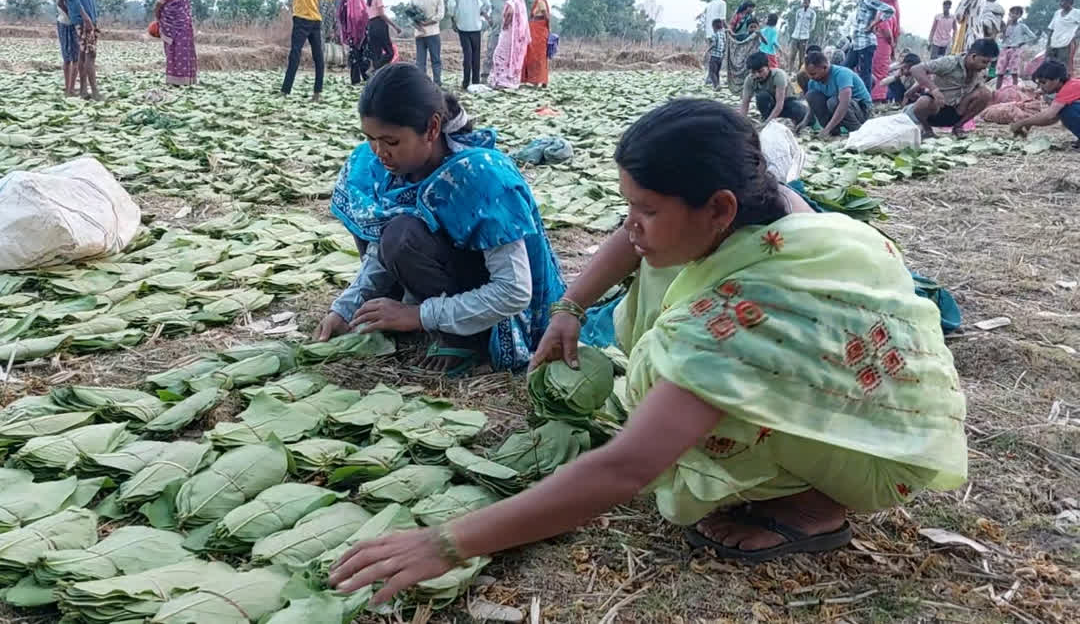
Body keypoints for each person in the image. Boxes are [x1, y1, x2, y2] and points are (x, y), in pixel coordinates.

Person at [327, 100, 968, 600]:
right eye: (629, 204)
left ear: (719, 207)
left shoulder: (744, 317)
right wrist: (569, 308)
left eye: (646, 208)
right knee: (661, 265)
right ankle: (749, 434)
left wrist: (448, 542)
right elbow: (630, 238)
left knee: (677, 441)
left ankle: (815, 506)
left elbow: (622, 470)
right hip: (866, 392)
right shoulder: (764, 212)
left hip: (880, 451)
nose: (632, 222)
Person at [316, 63, 566, 376]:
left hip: (491, 295)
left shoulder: (480, 176)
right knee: (382, 215)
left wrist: (419, 315)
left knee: (401, 235)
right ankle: (399, 307)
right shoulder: (387, 166)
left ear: (432, 129)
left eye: (391, 142)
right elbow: (380, 249)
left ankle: (466, 337)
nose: (379, 152)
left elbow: (514, 291)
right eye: (371, 138)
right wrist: (346, 307)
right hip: (441, 272)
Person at [280, 0, 345, 102]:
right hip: (316, 19)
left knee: (295, 54)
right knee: (318, 57)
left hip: (301, 17)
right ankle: (317, 94)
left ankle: (285, 91)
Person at [909, 38, 997, 138]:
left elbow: (979, 93)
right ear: (973, 57)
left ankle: (958, 127)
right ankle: (927, 129)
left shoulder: (980, 72)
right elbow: (915, 69)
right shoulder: (950, 62)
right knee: (923, 102)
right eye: (984, 62)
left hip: (956, 112)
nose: (986, 67)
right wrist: (934, 90)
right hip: (936, 109)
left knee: (986, 94)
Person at [1011, 60, 1080, 148]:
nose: (1041, 86)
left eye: (1044, 82)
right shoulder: (1071, 85)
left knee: (1068, 110)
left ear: (1057, 80)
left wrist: (1022, 123)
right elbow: (1053, 118)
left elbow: (1049, 116)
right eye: (1039, 83)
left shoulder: (1069, 88)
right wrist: (1030, 122)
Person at [846, 0, 895, 94]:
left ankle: (866, 102)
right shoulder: (861, 0)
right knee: (845, 68)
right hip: (856, 43)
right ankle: (856, 94)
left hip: (866, 43)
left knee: (864, 73)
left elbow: (890, 10)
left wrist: (875, 23)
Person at [804, 50, 872, 138]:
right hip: (840, 107)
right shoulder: (813, 82)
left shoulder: (842, 74)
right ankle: (833, 132)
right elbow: (812, 106)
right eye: (809, 74)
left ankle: (856, 130)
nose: (811, 77)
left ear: (824, 67)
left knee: (833, 102)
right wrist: (804, 122)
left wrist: (826, 129)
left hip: (862, 109)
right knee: (811, 95)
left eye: (813, 74)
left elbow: (844, 104)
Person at [447, 0, 490, 90]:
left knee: (467, 54)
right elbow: (487, 3)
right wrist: (480, 12)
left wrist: (453, 17)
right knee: (476, 55)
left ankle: (466, 82)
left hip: (462, 25)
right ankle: (475, 82)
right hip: (476, 25)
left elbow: (451, 4)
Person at [65, 0, 100, 101]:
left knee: (83, 54)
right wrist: (86, 18)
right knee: (90, 55)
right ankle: (95, 92)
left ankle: (84, 91)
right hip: (84, 19)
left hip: (86, 18)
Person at [742, 52, 808, 132]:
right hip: (768, 106)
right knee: (761, 96)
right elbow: (745, 103)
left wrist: (766, 123)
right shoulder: (749, 80)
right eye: (753, 72)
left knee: (801, 110)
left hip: (786, 104)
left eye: (760, 71)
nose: (757, 75)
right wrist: (741, 123)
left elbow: (779, 104)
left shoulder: (779, 75)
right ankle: (766, 118)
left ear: (768, 67)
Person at [153, 0, 197, 87]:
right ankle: (174, 81)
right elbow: (157, 7)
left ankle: (187, 81)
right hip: (171, 30)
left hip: (185, 30)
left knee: (186, 54)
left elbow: (186, 11)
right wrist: (159, 21)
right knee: (174, 54)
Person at [490, 0, 529, 90]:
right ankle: (509, 80)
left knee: (499, 55)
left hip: (508, 33)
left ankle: (501, 80)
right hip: (515, 36)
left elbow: (508, 15)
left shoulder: (511, 3)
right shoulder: (519, 3)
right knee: (511, 57)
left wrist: (505, 24)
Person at [411, 0, 446, 87]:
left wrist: (421, 24)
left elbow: (412, 17)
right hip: (433, 32)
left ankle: (422, 84)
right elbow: (440, 15)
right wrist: (428, 22)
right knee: (436, 60)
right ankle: (437, 83)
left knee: (421, 62)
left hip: (419, 33)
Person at [52, 0, 78, 97]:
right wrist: (73, 17)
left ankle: (68, 88)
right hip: (68, 23)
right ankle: (71, 89)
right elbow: (61, 2)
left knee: (68, 58)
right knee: (75, 59)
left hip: (62, 22)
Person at [338, 0, 370, 86]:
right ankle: (364, 77)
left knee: (355, 54)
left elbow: (341, 14)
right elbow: (359, 14)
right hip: (358, 29)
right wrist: (360, 30)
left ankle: (356, 79)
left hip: (349, 29)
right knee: (362, 53)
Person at [869, 0, 900, 102]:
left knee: (879, 69)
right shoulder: (886, 11)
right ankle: (878, 96)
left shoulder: (881, 11)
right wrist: (892, 43)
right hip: (883, 44)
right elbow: (886, 30)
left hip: (880, 43)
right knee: (881, 70)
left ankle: (877, 95)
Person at [997, 6, 1035, 90]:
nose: (1014, 15)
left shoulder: (1022, 26)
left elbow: (1032, 36)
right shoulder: (1006, 26)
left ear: (1020, 15)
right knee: (1000, 72)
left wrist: (1022, 42)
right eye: (1012, 13)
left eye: (1016, 13)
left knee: (1014, 72)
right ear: (1009, 14)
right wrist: (1006, 27)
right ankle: (997, 91)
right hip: (1004, 49)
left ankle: (1014, 90)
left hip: (1015, 50)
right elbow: (1002, 37)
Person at [365, 0, 400, 71]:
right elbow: (382, 15)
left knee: (377, 52)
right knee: (390, 52)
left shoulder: (368, 0)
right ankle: (376, 68)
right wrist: (395, 26)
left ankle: (376, 71)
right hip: (379, 24)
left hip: (371, 25)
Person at [522, 0, 550, 87]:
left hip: (539, 31)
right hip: (535, 30)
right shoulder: (537, 1)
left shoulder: (540, 1)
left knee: (537, 56)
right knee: (533, 54)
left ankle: (538, 80)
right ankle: (536, 80)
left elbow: (546, 15)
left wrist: (545, 28)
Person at [1046, 0, 1080, 74]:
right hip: (1054, 43)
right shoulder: (1057, 13)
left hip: (1067, 44)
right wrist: (1048, 44)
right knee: (1051, 65)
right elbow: (1051, 29)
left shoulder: (1076, 13)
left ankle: (1065, 85)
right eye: (1060, 1)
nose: (1061, 3)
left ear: (1070, 2)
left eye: (1064, 1)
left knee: (1064, 67)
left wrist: (1075, 37)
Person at [789, 0, 816, 71]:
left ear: (809, 2)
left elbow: (812, 26)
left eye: (806, 2)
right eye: (804, 2)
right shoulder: (799, 11)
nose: (805, 3)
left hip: (804, 37)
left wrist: (806, 31)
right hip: (795, 35)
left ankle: (799, 72)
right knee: (792, 55)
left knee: (802, 57)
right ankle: (790, 71)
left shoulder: (812, 13)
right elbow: (796, 21)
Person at [707, 19, 726, 90]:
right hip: (720, 57)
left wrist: (707, 50)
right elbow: (724, 45)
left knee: (712, 72)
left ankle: (716, 86)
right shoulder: (723, 34)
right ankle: (718, 84)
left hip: (714, 56)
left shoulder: (714, 35)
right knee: (717, 72)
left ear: (714, 27)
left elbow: (714, 44)